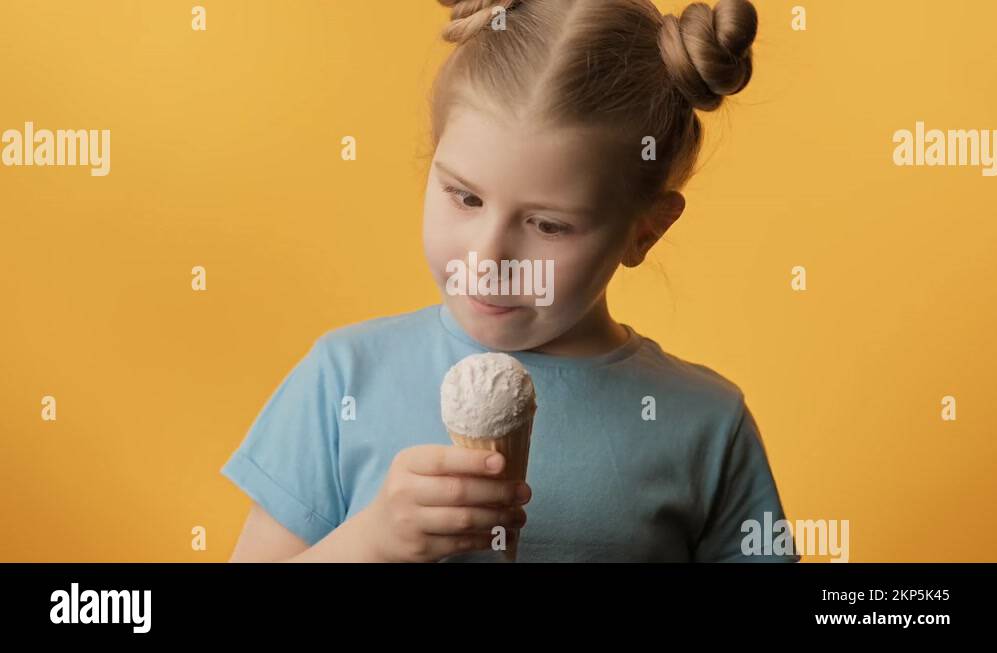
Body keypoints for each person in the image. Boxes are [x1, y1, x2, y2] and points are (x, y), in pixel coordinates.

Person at [223, 0, 799, 563]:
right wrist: (370, 543)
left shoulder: (707, 423)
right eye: (464, 196)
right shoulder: (342, 379)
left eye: (548, 225)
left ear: (644, 232)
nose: (487, 256)